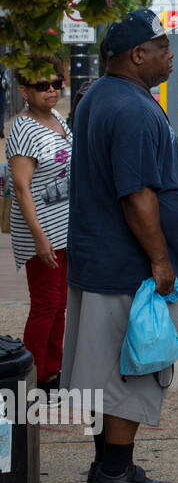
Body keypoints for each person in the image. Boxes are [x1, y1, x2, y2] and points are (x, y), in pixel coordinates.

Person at [65, 8, 178, 483]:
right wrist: (161, 260)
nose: (171, 56)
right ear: (136, 55)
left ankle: (109, 465)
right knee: (134, 368)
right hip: (127, 267)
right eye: (163, 48)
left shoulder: (106, 96)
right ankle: (114, 475)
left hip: (108, 262)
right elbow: (137, 195)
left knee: (111, 368)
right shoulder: (128, 107)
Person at [5, 59, 72, 388]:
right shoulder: (23, 127)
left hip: (65, 228)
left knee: (60, 303)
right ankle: (31, 379)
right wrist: (40, 239)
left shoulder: (58, 118)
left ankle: (52, 372)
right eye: (42, 86)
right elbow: (20, 188)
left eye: (56, 84)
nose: (51, 90)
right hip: (41, 230)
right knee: (45, 305)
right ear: (24, 91)